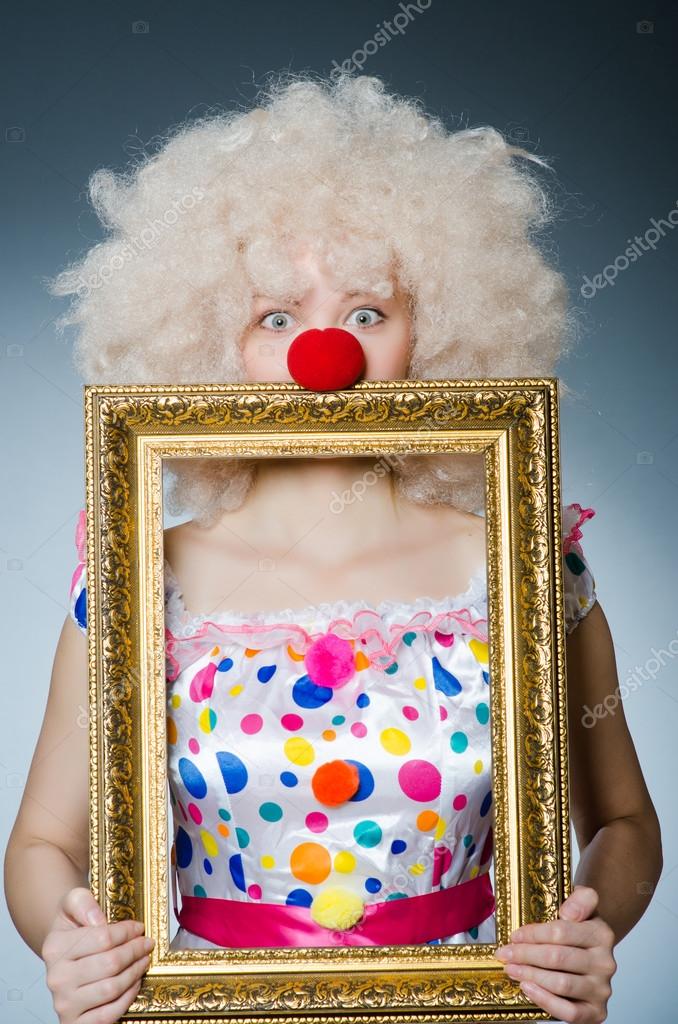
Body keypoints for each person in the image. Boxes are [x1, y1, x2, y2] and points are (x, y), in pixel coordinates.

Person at [4, 71, 662, 1024]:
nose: (328, 355)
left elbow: (625, 824)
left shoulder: (526, 562)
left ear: (430, 333)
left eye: (367, 313)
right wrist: (67, 940)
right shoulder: (132, 578)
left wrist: (588, 930)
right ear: (203, 342)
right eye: (277, 317)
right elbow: (40, 846)